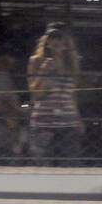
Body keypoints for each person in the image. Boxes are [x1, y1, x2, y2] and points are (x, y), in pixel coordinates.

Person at [26, 27, 84, 160]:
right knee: (43, 166)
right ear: (47, 42)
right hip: (44, 121)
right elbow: (34, 92)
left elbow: (73, 94)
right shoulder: (37, 61)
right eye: (53, 40)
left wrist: (78, 118)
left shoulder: (71, 63)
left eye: (60, 40)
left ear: (66, 43)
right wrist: (43, 72)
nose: (57, 45)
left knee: (69, 165)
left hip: (68, 121)